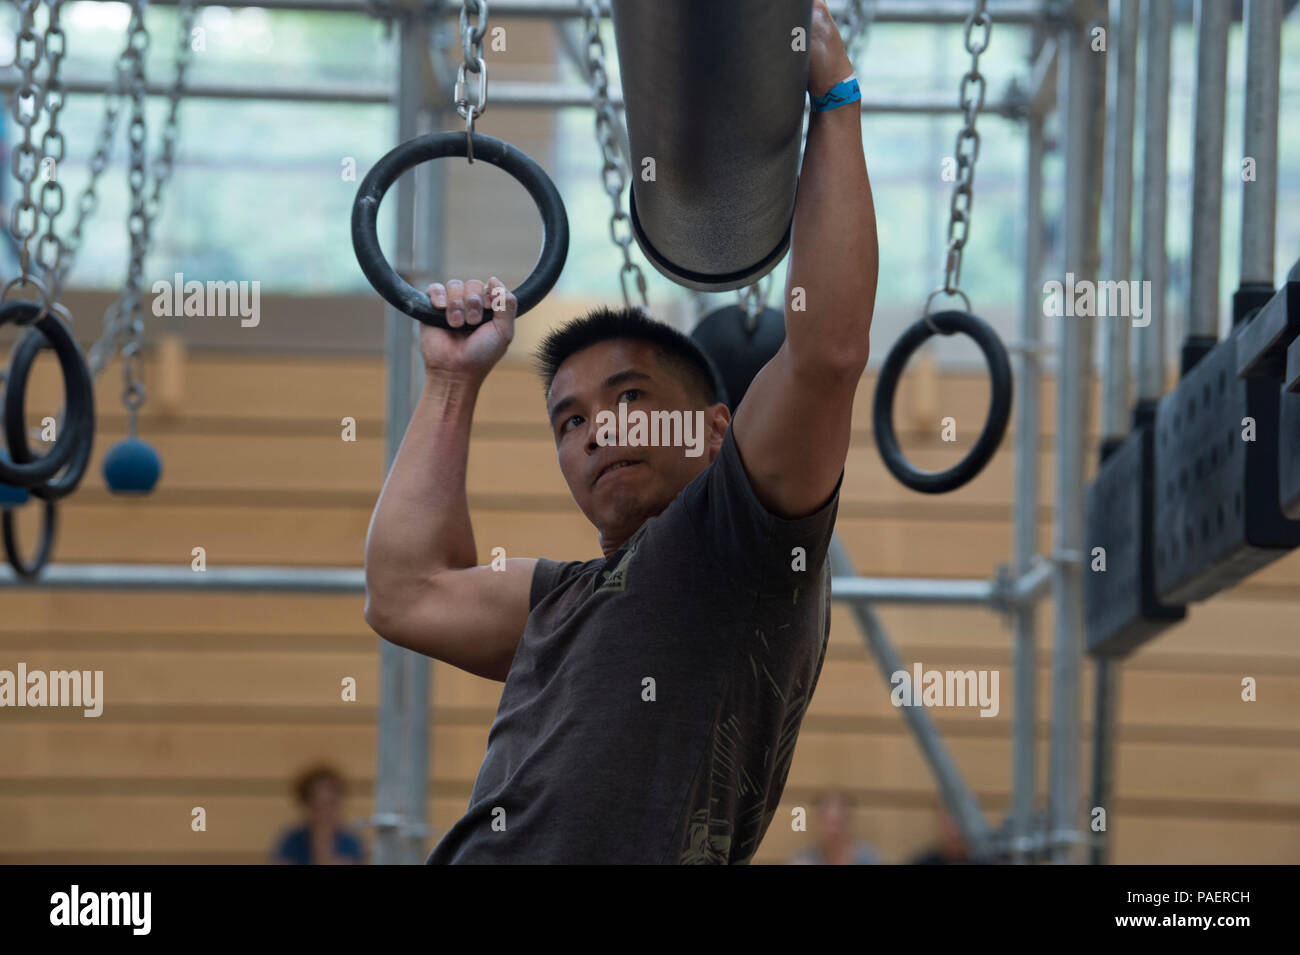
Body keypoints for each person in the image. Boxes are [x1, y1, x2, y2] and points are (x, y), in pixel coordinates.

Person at [364, 0, 878, 864]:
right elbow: (405, 589)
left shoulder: (740, 544)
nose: (598, 430)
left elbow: (827, 351)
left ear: (717, 431)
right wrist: (453, 380)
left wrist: (836, 102)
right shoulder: (560, 601)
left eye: (630, 397)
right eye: (570, 419)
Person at [271, 765, 366, 865]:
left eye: (330, 804)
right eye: (318, 806)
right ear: (307, 805)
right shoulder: (291, 841)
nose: (325, 813)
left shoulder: (350, 842)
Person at [788, 790, 879, 865]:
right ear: (817, 823)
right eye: (827, 823)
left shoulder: (867, 859)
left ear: (848, 821)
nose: (832, 830)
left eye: (837, 823)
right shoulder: (803, 860)